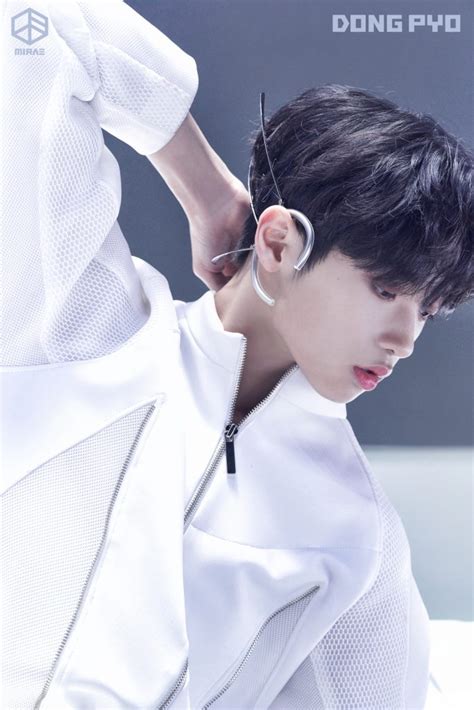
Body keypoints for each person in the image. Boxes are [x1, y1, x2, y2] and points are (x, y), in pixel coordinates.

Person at [1, 1, 472, 709]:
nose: (406, 339)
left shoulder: (354, 534)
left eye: (427, 311)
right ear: (280, 243)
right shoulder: (82, 325)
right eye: (386, 288)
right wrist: (204, 189)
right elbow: (40, 25)